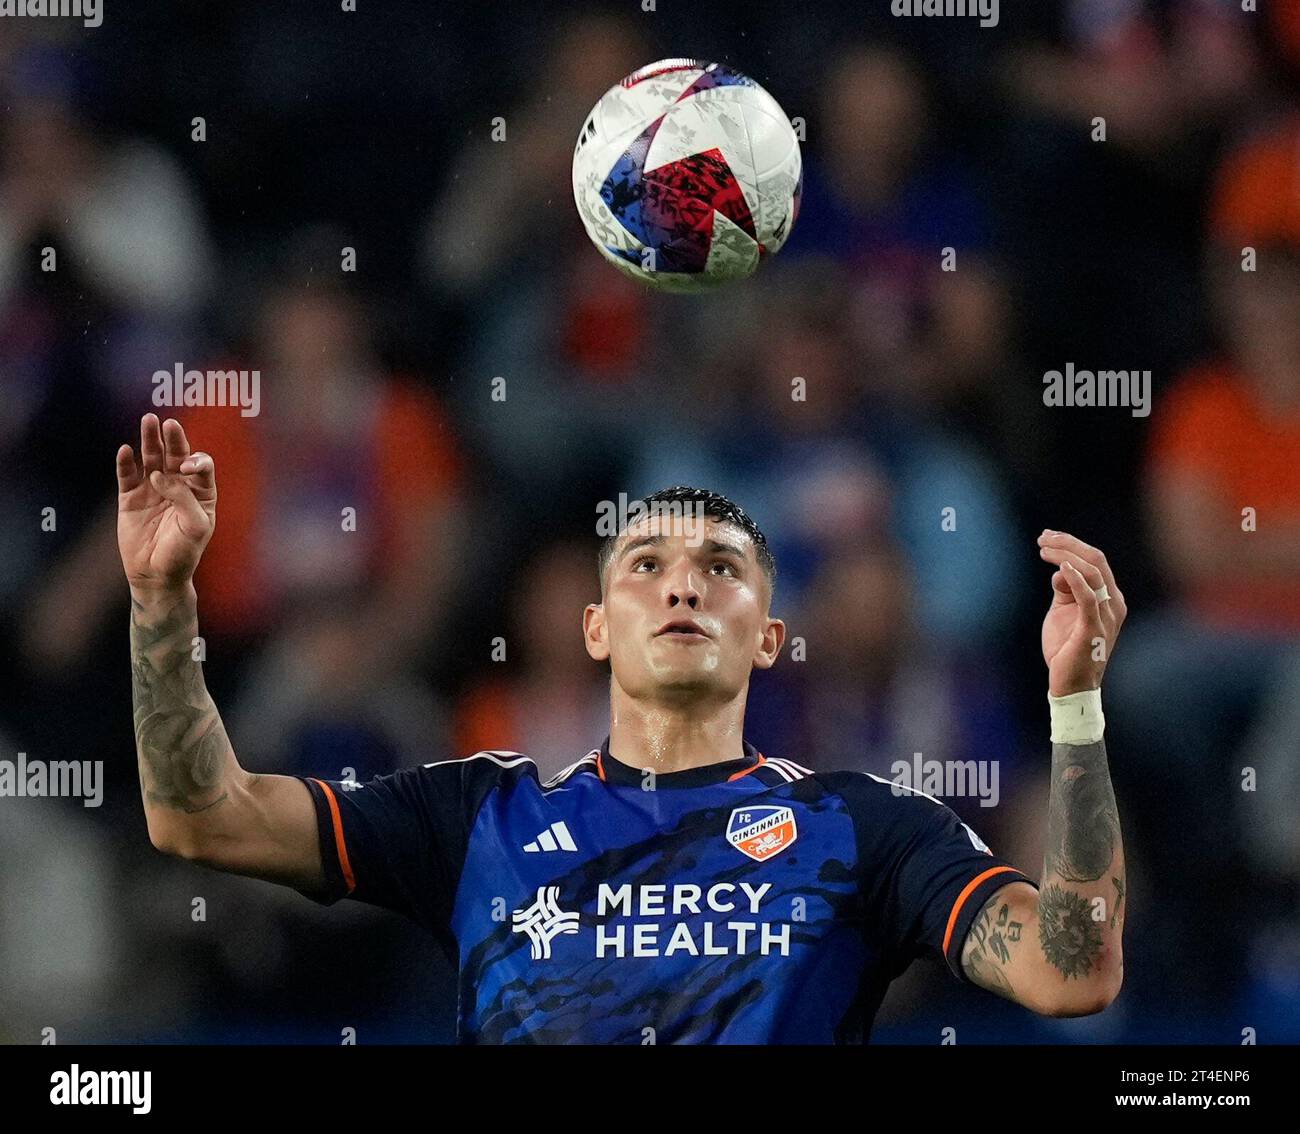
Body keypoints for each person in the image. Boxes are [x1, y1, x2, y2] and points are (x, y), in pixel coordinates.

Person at [118, 413, 1127, 1043]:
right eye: (645, 564)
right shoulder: (478, 818)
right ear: (594, 629)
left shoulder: (865, 832)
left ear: (769, 638)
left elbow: (1070, 971)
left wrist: (1074, 705)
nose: (682, 581)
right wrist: (163, 603)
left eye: (720, 570)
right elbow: (200, 817)